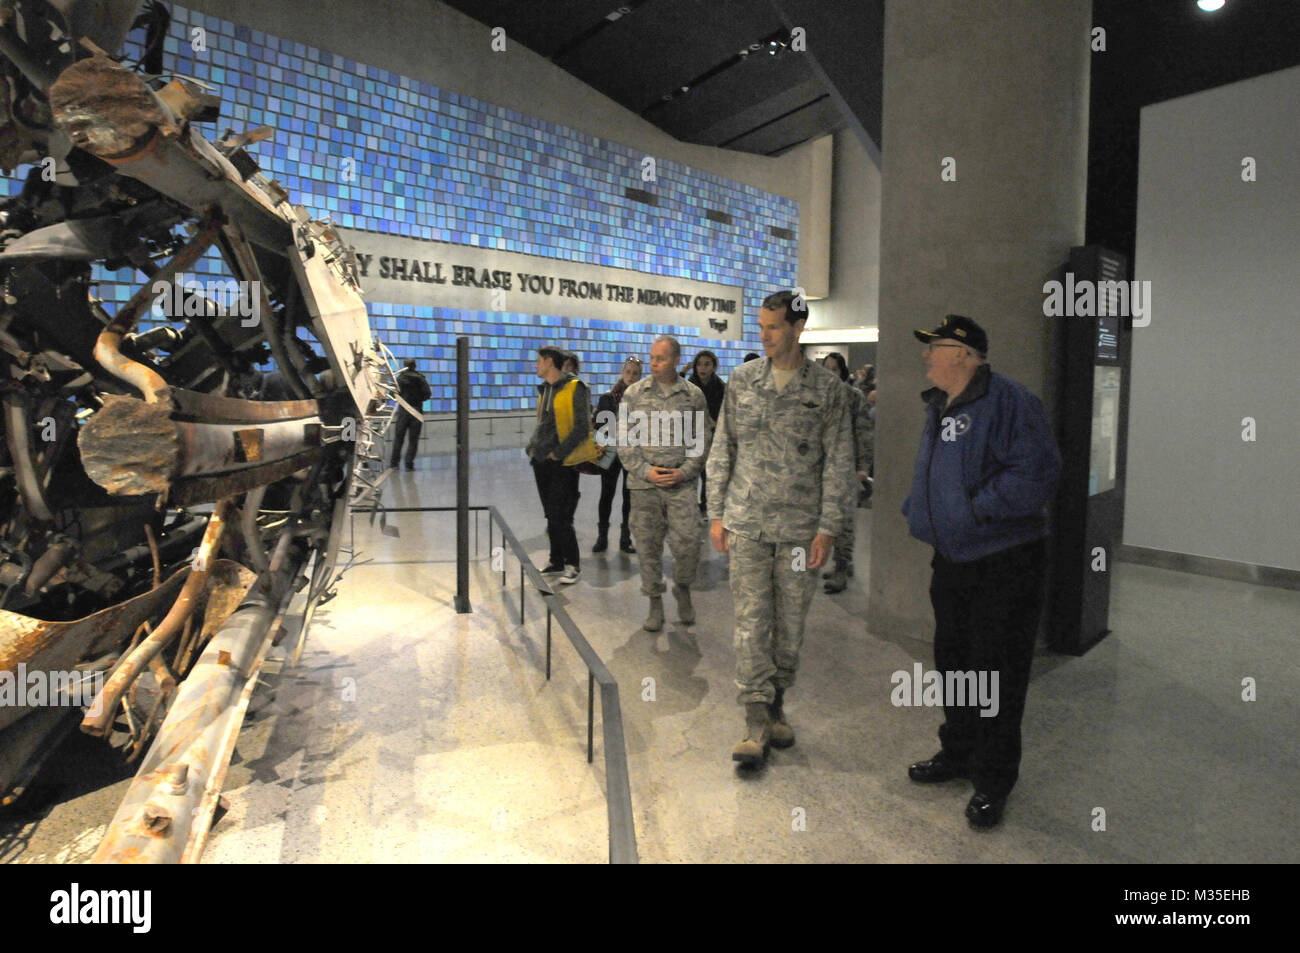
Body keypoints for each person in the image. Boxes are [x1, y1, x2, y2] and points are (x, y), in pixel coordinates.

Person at [902, 314, 1061, 829]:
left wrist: (972, 511)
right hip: (954, 560)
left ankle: (994, 778)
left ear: (965, 355)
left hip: (1003, 562)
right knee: (954, 664)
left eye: (936, 347)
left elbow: (1036, 475)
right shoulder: (941, 403)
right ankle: (960, 753)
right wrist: (920, 510)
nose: (926, 356)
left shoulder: (1010, 402)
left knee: (996, 670)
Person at [708, 291, 856, 766]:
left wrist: (829, 528)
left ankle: (777, 707)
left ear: (798, 327)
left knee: (789, 627)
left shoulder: (828, 391)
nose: (765, 335)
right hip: (747, 523)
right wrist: (715, 513)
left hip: (799, 530)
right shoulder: (742, 381)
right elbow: (722, 449)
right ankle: (753, 721)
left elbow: (839, 463)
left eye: (773, 326)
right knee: (751, 623)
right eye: (762, 326)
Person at [619, 336, 710, 632]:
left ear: (675, 359)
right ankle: (654, 601)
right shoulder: (634, 394)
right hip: (644, 485)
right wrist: (645, 471)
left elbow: (701, 441)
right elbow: (624, 441)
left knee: (689, 542)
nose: (654, 363)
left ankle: (682, 586)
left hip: (680, 483)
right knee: (647, 546)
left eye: (660, 358)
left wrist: (685, 472)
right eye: (652, 357)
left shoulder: (693, 396)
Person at [525, 344, 592, 585]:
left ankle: (573, 564)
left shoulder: (576, 388)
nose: (536, 365)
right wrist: (532, 448)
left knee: (561, 515)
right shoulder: (545, 390)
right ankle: (556, 560)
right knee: (550, 515)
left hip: (562, 462)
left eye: (539, 361)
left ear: (550, 362)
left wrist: (558, 453)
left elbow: (583, 426)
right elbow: (543, 424)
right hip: (541, 460)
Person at [820, 352, 873, 593]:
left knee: (844, 520)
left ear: (842, 371)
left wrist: (863, 467)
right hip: (820, 466)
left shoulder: (853, 397)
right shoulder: (816, 396)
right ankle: (835, 562)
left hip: (846, 466)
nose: (830, 373)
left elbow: (863, 433)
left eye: (835, 369)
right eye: (826, 368)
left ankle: (843, 564)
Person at [592, 356, 642, 555]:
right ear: (623, 373)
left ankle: (625, 538)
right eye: (628, 372)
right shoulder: (609, 397)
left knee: (629, 497)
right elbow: (599, 426)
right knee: (607, 495)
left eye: (635, 373)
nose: (631, 376)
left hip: (632, 454)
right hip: (610, 453)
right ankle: (602, 537)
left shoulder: (643, 399)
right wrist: (598, 450)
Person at [687, 349, 725, 515]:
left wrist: (715, 423)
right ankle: (690, 505)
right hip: (691, 435)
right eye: (699, 364)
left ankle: (704, 506)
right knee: (690, 472)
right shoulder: (689, 386)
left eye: (707, 364)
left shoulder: (721, 387)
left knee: (708, 473)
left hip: (712, 435)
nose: (702, 368)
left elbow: (725, 412)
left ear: (714, 367)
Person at [389, 358, 431, 470]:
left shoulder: (399, 379)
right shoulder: (421, 379)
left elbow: (392, 394)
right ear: (415, 366)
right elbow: (427, 394)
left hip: (403, 412)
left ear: (405, 365)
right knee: (413, 440)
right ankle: (409, 464)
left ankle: (394, 463)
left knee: (398, 438)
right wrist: (418, 398)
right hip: (416, 412)